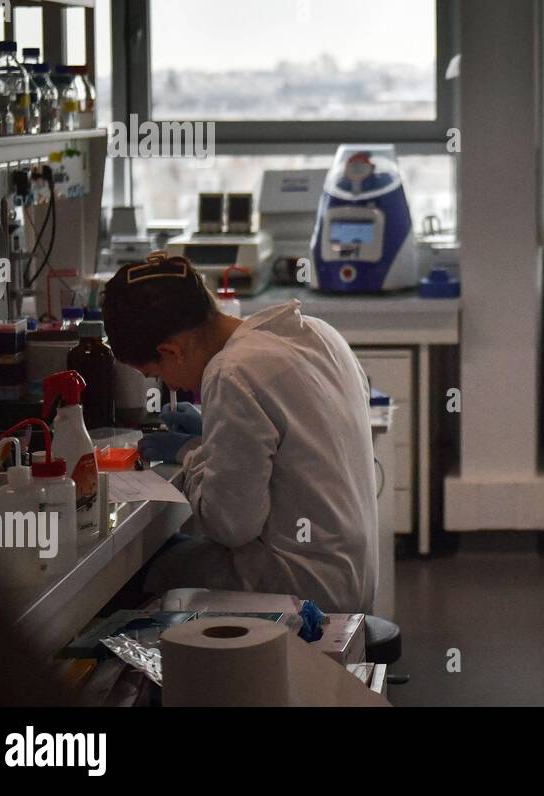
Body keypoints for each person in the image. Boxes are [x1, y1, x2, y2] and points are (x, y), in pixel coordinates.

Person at [101, 253, 377, 613]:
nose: (165, 384)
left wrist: (192, 452)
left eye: (156, 374)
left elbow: (230, 526)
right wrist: (216, 437)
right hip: (349, 575)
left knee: (135, 575)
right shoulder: (319, 334)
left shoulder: (231, 372)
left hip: (302, 589)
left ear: (172, 351)